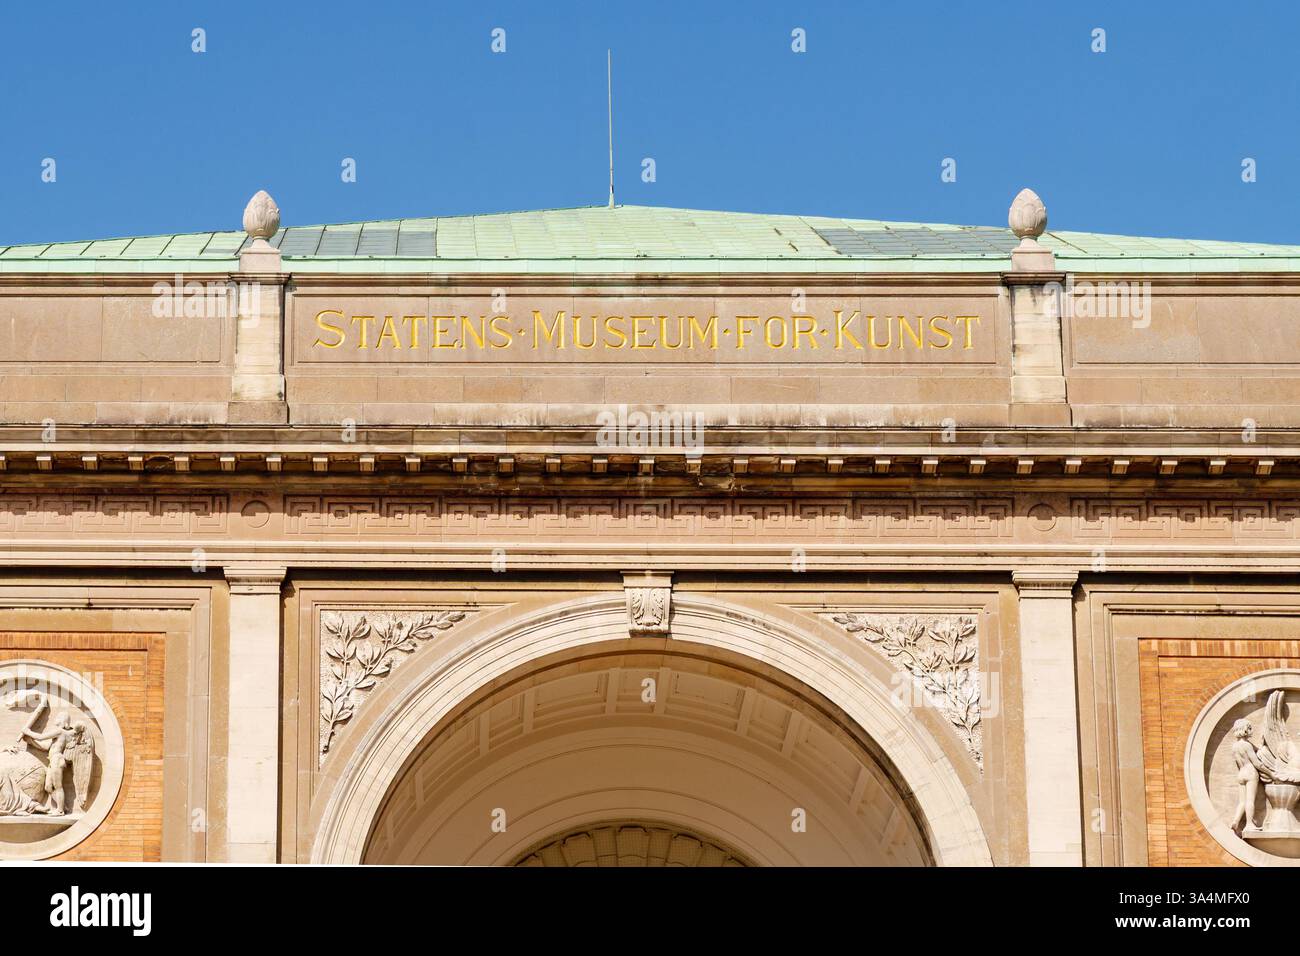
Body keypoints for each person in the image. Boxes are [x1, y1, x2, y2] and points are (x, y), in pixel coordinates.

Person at [1231, 719, 1265, 832]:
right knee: (1250, 800)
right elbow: (1256, 763)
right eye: (1249, 728)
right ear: (1245, 729)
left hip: (1241, 774)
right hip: (1250, 773)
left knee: (1242, 801)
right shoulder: (1247, 746)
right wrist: (1271, 774)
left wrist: (1260, 744)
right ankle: (1249, 824)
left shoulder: (1235, 746)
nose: (1251, 730)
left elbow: (1257, 749)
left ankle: (1235, 821)